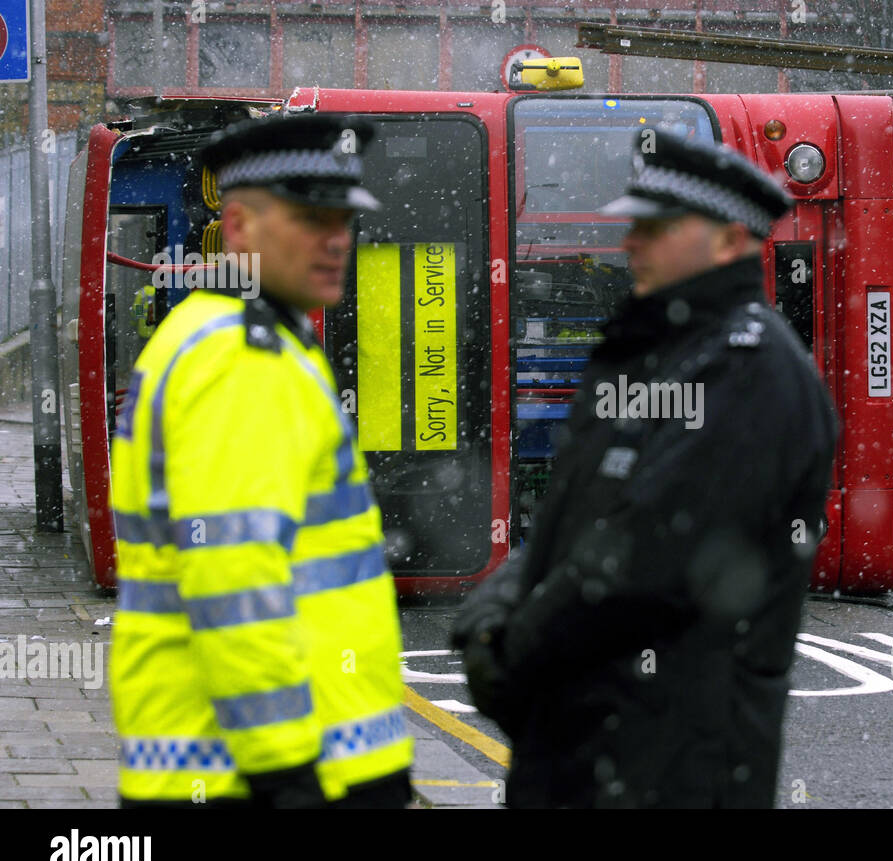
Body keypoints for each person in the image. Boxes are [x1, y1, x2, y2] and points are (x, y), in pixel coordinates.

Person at [452, 127, 839, 808]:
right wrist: (487, 610)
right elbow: (574, 519)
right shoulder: (660, 352)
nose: (630, 242)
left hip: (666, 771)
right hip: (595, 757)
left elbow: (641, 560)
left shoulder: (751, 370)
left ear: (727, 240)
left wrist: (510, 654)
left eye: (656, 226)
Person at [109, 114, 413, 808]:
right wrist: (287, 774)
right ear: (240, 228)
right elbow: (233, 577)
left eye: (343, 217)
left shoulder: (222, 335)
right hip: (261, 774)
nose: (336, 239)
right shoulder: (241, 361)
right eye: (310, 218)